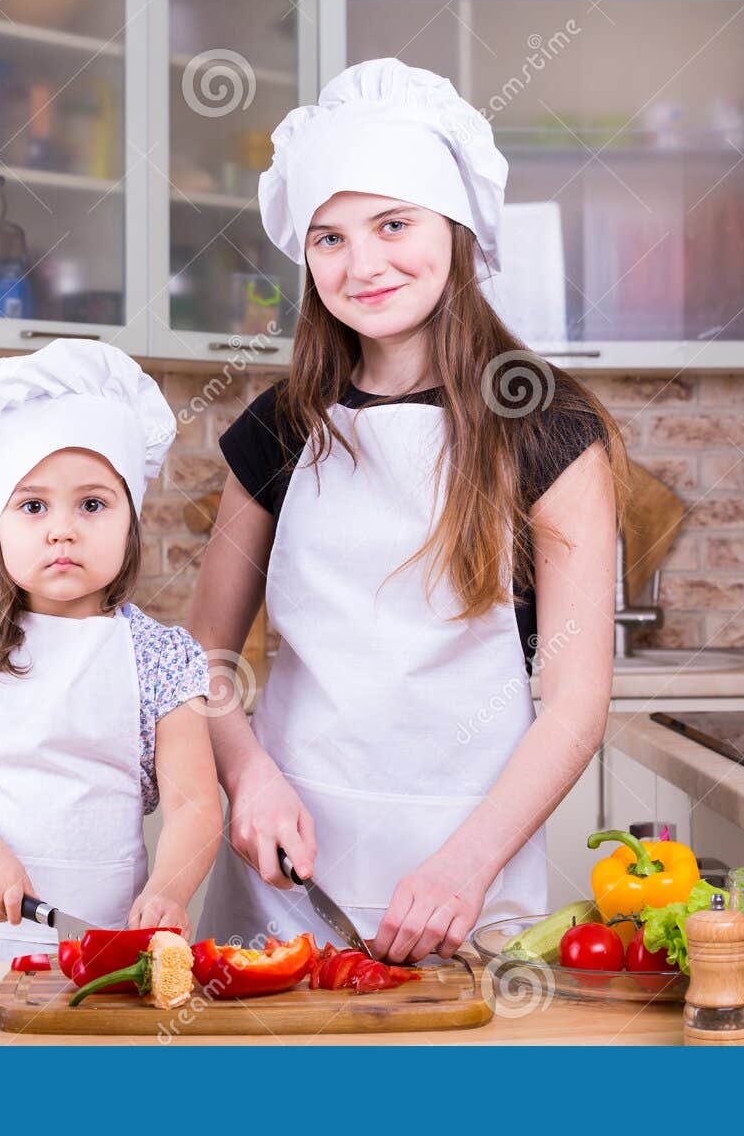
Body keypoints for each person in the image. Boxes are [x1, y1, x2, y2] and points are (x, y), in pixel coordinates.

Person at [190, 58, 629, 964]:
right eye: (330, 239)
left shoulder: (547, 426)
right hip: (284, 883)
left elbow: (577, 702)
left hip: (467, 884)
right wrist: (251, 775)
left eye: (394, 224)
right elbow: (205, 659)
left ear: (455, 229)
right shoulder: (278, 428)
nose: (364, 264)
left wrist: (465, 866)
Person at [0, 339, 223, 962]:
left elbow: (194, 803)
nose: (62, 528)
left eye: (93, 504)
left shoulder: (163, 657)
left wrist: (170, 892)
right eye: (32, 505)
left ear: (130, 522)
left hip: (108, 946)